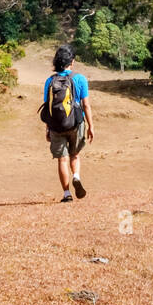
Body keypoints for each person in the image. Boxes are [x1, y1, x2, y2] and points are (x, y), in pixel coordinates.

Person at [41, 44, 94, 203]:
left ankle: (66, 194)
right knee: (75, 155)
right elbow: (86, 105)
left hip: (56, 125)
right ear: (72, 61)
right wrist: (91, 126)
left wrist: (48, 129)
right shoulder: (80, 79)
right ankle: (76, 176)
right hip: (76, 124)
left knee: (62, 159)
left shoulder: (50, 81)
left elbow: (48, 107)